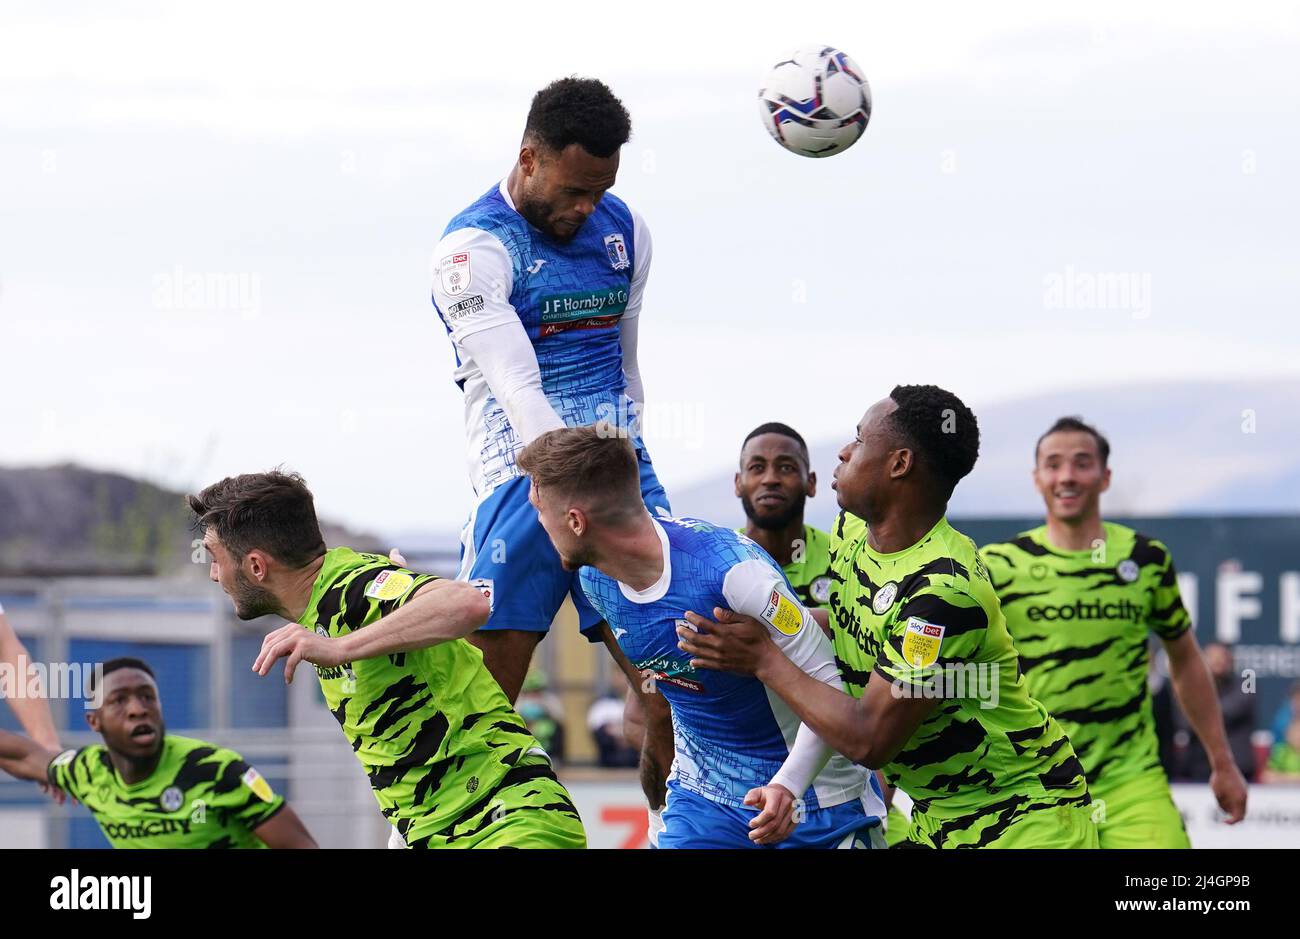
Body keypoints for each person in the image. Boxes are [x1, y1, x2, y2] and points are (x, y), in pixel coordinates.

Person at [677, 385, 1099, 848]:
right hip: (938, 815)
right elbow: (845, 630)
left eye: (859, 440)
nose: (843, 451)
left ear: (899, 464)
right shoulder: (851, 530)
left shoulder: (944, 592)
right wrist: (769, 627)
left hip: (1024, 816)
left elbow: (869, 738)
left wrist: (763, 658)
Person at [517, 424, 886, 849]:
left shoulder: (734, 572)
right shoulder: (594, 581)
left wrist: (786, 786)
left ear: (576, 521)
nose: (539, 526)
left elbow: (828, 688)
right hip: (704, 801)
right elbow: (663, 695)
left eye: (539, 511)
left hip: (816, 799)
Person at [429, 76, 670, 706]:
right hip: (524, 476)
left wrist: (631, 459)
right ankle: (473, 805)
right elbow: (520, 391)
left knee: (676, 680)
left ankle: (666, 811)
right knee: (486, 698)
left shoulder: (626, 232)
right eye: (573, 191)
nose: (587, 207)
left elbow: (627, 365)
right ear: (529, 159)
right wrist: (572, 494)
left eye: (601, 190)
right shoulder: (472, 250)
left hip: (621, 466)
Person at [189, 470, 585, 849]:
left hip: (506, 820)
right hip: (436, 831)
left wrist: (339, 647)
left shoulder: (352, 585)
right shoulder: (328, 603)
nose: (213, 574)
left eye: (215, 557)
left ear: (256, 566)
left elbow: (469, 602)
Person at [980, 417, 1248, 847]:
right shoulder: (998, 565)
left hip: (1131, 781)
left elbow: (1184, 659)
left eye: (1081, 463)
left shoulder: (1146, 559)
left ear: (1104, 477)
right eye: (1053, 465)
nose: (1066, 476)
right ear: (1037, 479)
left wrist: (1223, 761)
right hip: (1032, 783)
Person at [0, 657, 316, 848]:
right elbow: (25, 757)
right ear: (94, 722)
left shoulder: (215, 770)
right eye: (119, 700)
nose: (138, 709)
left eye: (147, 697)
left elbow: (301, 845)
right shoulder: (87, 772)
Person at [734, 422, 834, 609]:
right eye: (757, 467)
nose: (770, 479)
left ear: (810, 483)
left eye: (786, 467)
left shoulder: (842, 559)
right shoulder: (714, 564)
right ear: (738, 483)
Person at [1176, 642, 1257, 784]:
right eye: (1212, 658)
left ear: (1230, 659)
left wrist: (1198, 712)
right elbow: (1183, 720)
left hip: (1238, 765)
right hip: (1199, 765)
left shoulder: (1248, 679)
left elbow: (1237, 707)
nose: (1217, 662)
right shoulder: (1190, 684)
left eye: (1221, 657)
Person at [1261, 716, 1300, 783]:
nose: (1298, 736)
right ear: (1287, 735)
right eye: (1295, 732)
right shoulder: (1281, 752)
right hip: (1282, 792)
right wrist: (1292, 778)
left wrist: (1282, 777)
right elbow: (1266, 777)